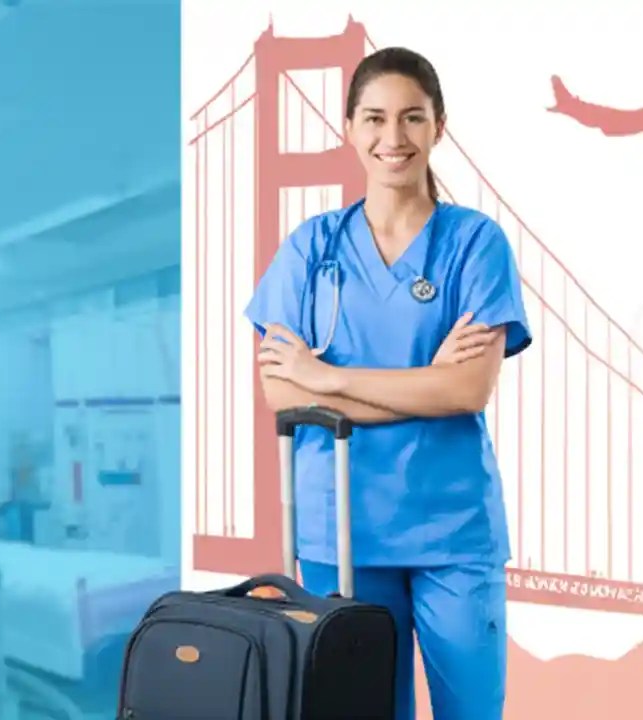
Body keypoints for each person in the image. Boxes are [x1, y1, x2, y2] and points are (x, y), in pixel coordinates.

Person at [246, 47, 531, 720]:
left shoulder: (474, 244)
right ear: (349, 127)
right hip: (339, 529)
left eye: (412, 118)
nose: (393, 138)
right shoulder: (310, 249)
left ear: (440, 126)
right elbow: (283, 398)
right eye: (374, 118)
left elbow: (467, 392)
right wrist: (423, 382)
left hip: (454, 533)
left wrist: (329, 379)